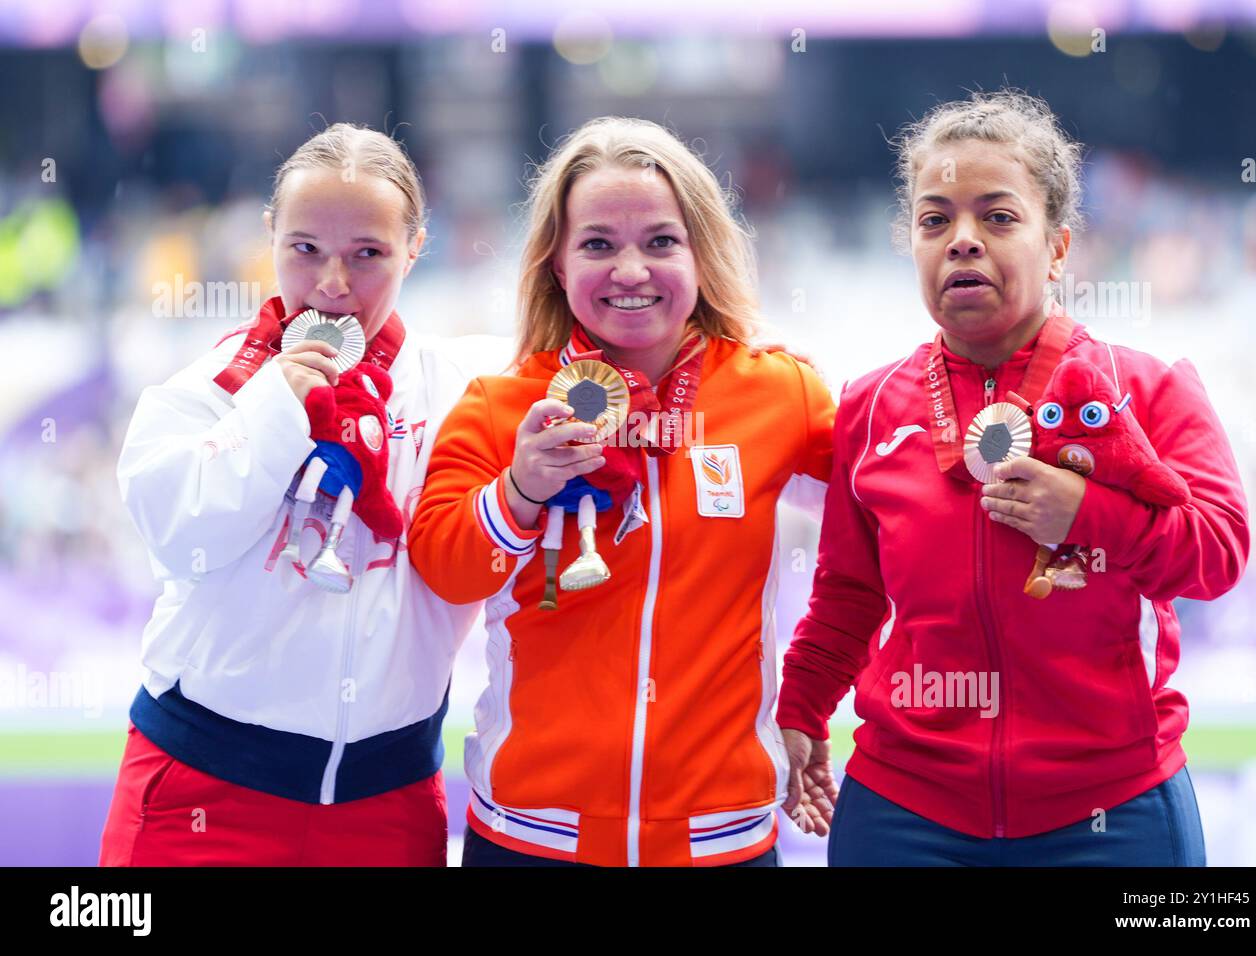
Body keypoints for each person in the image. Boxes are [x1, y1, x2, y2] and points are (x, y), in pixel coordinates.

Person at [777, 90, 1249, 866]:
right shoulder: (869, 405)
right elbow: (847, 596)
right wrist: (799, 709)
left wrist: (1089, 514)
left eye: (997, 217)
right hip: (904, 811)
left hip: (1114, 810)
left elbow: (1220, 554)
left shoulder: (1149, 388)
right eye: (935, 221)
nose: (962, 241)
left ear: (1058, 247)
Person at [408, 117, 834, 867]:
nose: (631, 270)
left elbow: (892, 514)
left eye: (661, 242)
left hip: (722, 844)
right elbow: (444, 569)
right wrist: (519, 491)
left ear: (702, 253)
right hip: (530, 839)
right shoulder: (500, 406)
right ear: (556, 265)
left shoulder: (780, 394)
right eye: (598, 244)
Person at [100, 123, 507, 866]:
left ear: (416, 246)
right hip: (202, 792)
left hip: (390, 804)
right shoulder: (200, 396)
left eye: (368, 255)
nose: (332, 284)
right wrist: (280, 409)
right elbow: (182, 541)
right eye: (306, 249)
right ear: (271, 237)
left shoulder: (465, 394)